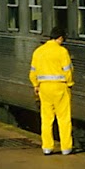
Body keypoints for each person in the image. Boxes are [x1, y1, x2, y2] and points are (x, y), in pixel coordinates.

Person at [29, 25, 74, 155]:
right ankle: (66, 148)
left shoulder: (38, 51)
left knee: (47, 119)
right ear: (60, 38)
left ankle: (47, 147)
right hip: (60, 87)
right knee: (64, 118)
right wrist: (69, 83)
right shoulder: (62, 51)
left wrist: (35, 85)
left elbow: (33, 72)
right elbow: (68, 71)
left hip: (44, 88)